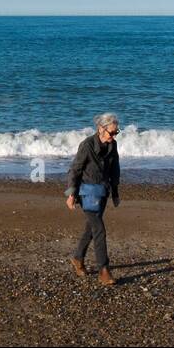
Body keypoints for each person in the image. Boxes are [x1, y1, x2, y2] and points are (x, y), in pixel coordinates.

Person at [65, 112, 121, 286]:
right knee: (99, 229)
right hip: (86, 193)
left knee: (91, 228)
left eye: (116, 133)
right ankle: (104, 270)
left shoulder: (113, 146)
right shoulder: (87, 145)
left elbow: (115, 170)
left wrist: (116, 192)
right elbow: (75, 169)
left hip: (102, 192)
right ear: (100, 129)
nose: (113, 136)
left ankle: (77, 257)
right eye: (111, 133)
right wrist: (71, 193)